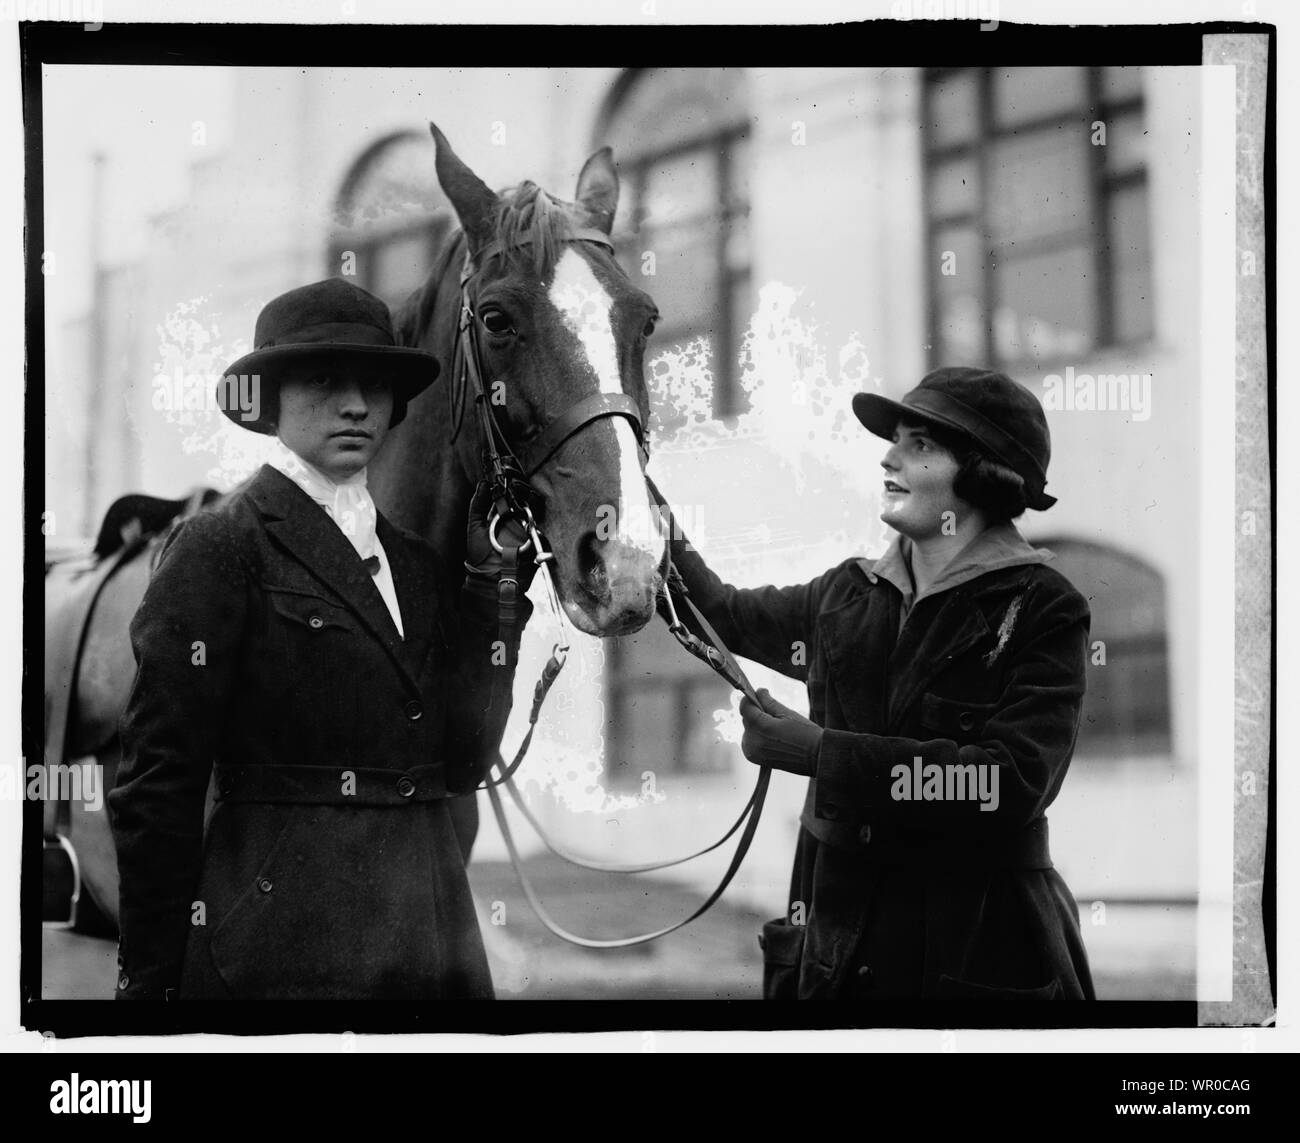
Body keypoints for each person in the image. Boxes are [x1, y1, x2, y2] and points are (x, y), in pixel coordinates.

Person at [108, 278, 534, 1000]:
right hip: (281, 947)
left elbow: (462, 760)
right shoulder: (219, 547)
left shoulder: (418, 565)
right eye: (324, 378)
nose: (355, 404)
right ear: (270, 399)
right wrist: (149, 983)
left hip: (432, 942)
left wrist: (491, 586)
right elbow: (159, 786)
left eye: (375, 382)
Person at [659, 367, 1095, 1000]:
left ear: (982, 472)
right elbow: (720, 615)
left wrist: (819, 754)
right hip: (832, 949)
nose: (888, 458)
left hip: (975, 949)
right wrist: (646, 515)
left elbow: (1006, 782)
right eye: (896, 441)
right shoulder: (847, 593)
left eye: (919, 445)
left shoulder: (1042, 605)